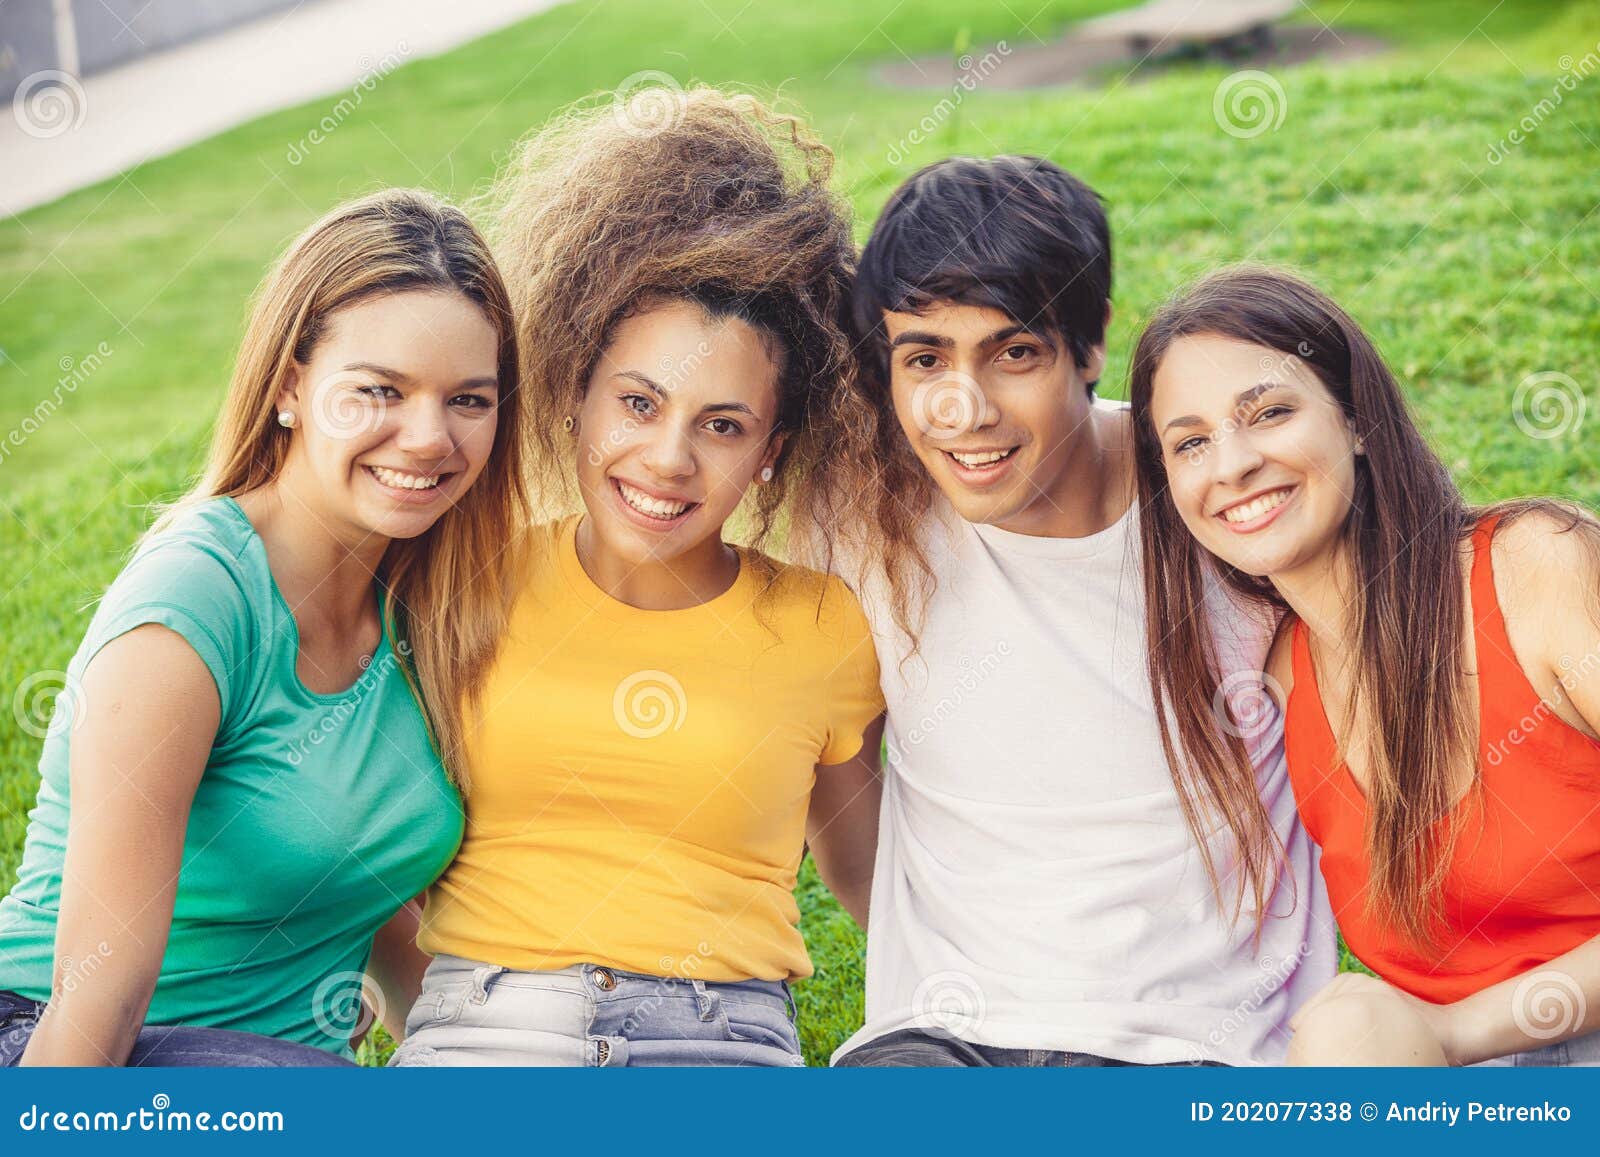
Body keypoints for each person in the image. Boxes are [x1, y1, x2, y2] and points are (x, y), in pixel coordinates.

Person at [390, 86, 885, 1068]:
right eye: (639, 402)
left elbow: (876, 878)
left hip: (721, 1042)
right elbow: (366, 846)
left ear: (771, 452)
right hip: (487, 1029)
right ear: (576, 393)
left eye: (722, 425)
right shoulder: (464, 577)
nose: (667, 459)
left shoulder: (820, 625)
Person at [810, 156, 1336, 1068]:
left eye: (1014, 353)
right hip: (941, 1043)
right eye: (924, 359)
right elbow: (839, 784)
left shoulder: (1209, 495)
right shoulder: (860, 521)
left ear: (1089, 348)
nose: (964, 409)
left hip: (1189, 1044)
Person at [0, 188, 529, 1066]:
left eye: (468, 399)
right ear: (290, 385)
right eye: (380, 390)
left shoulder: (426, 602)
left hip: (271, 1083)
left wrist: (483, 1066)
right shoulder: (191, 606)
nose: (429, 437)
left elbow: (366, 897)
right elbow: (96, 1001)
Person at [1130, 264, 1600, 1066]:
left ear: (1356, 421)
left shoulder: (1539, 570)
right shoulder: (1280, 679)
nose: (1231, 465)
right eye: (1191, 442)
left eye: (1269, 412)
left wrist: (1452, 1032)